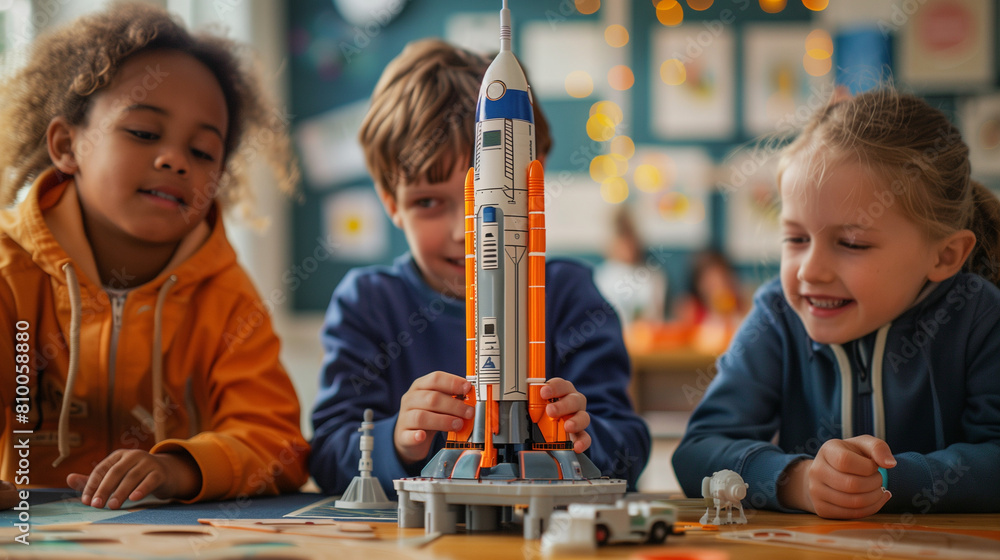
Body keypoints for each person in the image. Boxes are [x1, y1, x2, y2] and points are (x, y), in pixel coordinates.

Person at [310, 39, 650, 498]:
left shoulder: (569, 294)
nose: (461, 231)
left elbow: (630, 444)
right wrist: (397, 440)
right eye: (428, 202)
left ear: (533, 180)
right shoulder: (367, 303)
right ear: (391, 203)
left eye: (472, 200)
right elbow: (329, 454)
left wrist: (581, 439)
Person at [0, 3, 308, 509]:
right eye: (144, 133)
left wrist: (180, 467)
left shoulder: (227, 296)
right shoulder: (10, 271)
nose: (174, 160)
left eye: (204, 152)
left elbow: (278, 444)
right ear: (66, 144)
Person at [673, 89, 1000, 517]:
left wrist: (886, 479)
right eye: (796, 238)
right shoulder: (777, 314)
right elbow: (698, 451)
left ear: (944, 255)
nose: (810, 270)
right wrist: (798, 480)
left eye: (851, 242)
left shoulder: (979, 316)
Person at [593, 205, 667, 326]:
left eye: (630, 237)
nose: (627, 245)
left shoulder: (653, 277)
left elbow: (655, 319)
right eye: (621, 238)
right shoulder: (599, 277)